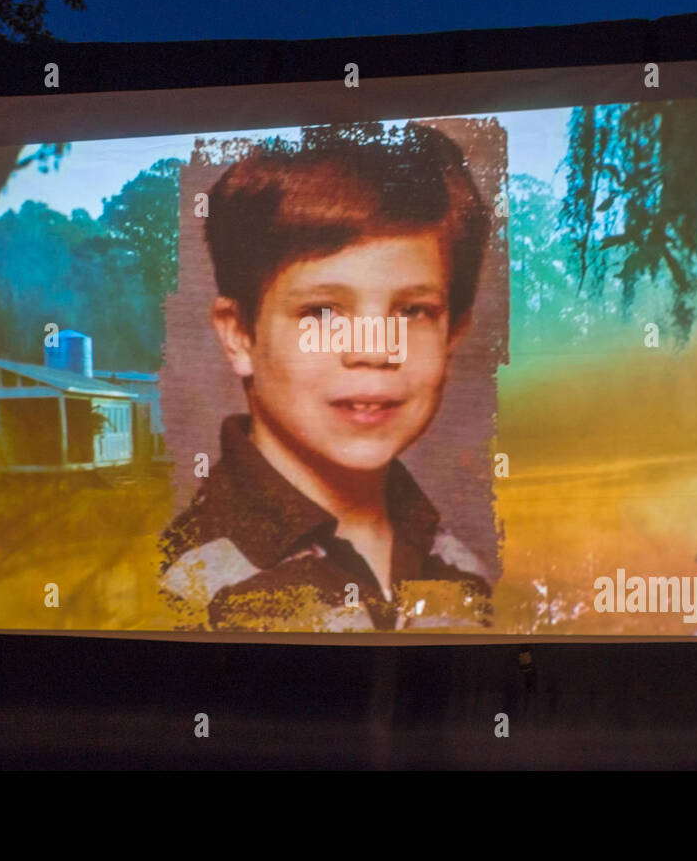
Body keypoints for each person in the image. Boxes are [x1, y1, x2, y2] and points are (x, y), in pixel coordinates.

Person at [159, 122, 496, 631]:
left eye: (412, 311)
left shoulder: (460, 570)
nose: (375, 351)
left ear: (454, 334)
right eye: (322, 312)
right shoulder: (185, 586)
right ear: (239, 336)